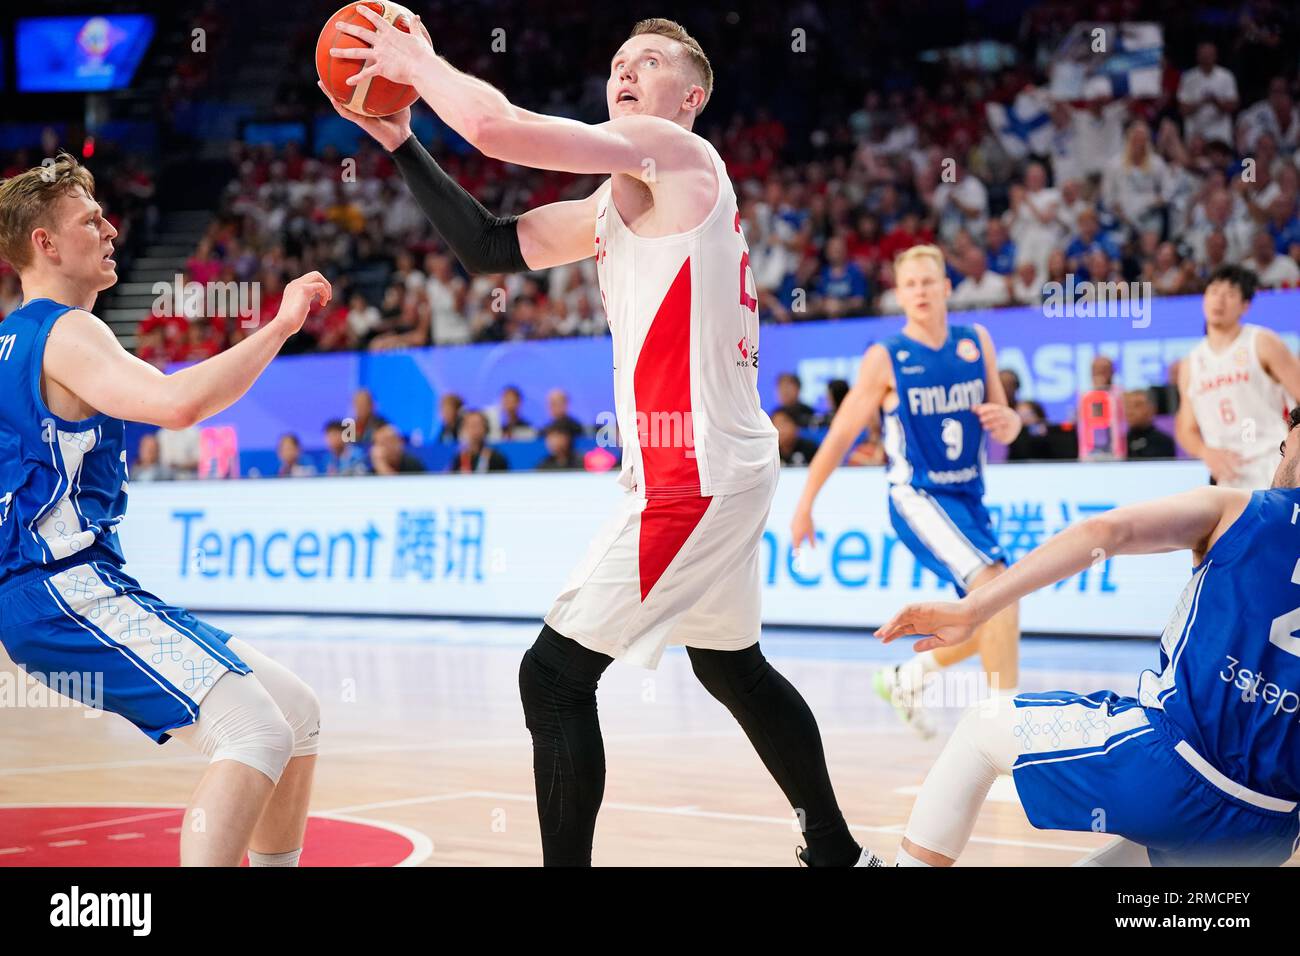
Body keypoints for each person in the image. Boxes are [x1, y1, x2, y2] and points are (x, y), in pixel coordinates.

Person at [325, 13, 872, 866]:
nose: (625, 70)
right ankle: (838, 854)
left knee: (550, 679)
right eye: (618, 61)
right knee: (731, 668)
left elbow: (495, 128)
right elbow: (488, 248)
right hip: (719, 466)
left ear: (688, 97)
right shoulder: (614, 209)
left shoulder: (683, 158)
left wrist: (415, 61)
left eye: (648, 62)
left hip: (694, 478)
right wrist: (401, 145)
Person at [0, 154, 324, 867]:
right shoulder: (66, 330)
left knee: (295, 713)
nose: (112, 228)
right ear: (44, 245)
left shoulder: (12, 342)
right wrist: (278, 328)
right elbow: (179, 405)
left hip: (56, 591)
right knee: (255, 733)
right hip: (64, 590)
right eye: (91, 219)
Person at [872, 405, 1300, 867]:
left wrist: (974, 607)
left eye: (1283, 446)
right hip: (1270, 827)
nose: (1277, 461)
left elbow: (1105, 531)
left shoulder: (1241, 508)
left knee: (980, 731)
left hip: (1170, 768)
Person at [792, 244, 1023, 738]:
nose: (919, 291)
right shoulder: (886, 357)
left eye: (927, 281)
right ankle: (1006, 746)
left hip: (968, 497)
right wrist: (805, 503)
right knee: (999, 593)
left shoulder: (975, 341)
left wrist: (1012, 422)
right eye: (910, 284)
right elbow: (841, 433)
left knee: (996, 609)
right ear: (899, 295)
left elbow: (1006, 425)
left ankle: (908, 675)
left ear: (946, 287)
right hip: (916, 496)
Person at [1176, 265, 1300, 488]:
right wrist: (1205, 452)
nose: (1219, 300)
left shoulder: (1262, 342)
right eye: (1213, 291)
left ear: (1245, 305)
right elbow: (1186, 429)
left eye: (1230, 294)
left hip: (1272, 464)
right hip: (1228, 479)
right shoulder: (1190, 363)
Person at [1123, 389, 1175, 459]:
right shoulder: (1121, 441)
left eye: (1137, 405)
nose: (1130, 411)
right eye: (1128, 406)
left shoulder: (1162, 442)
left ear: (1152, 409)